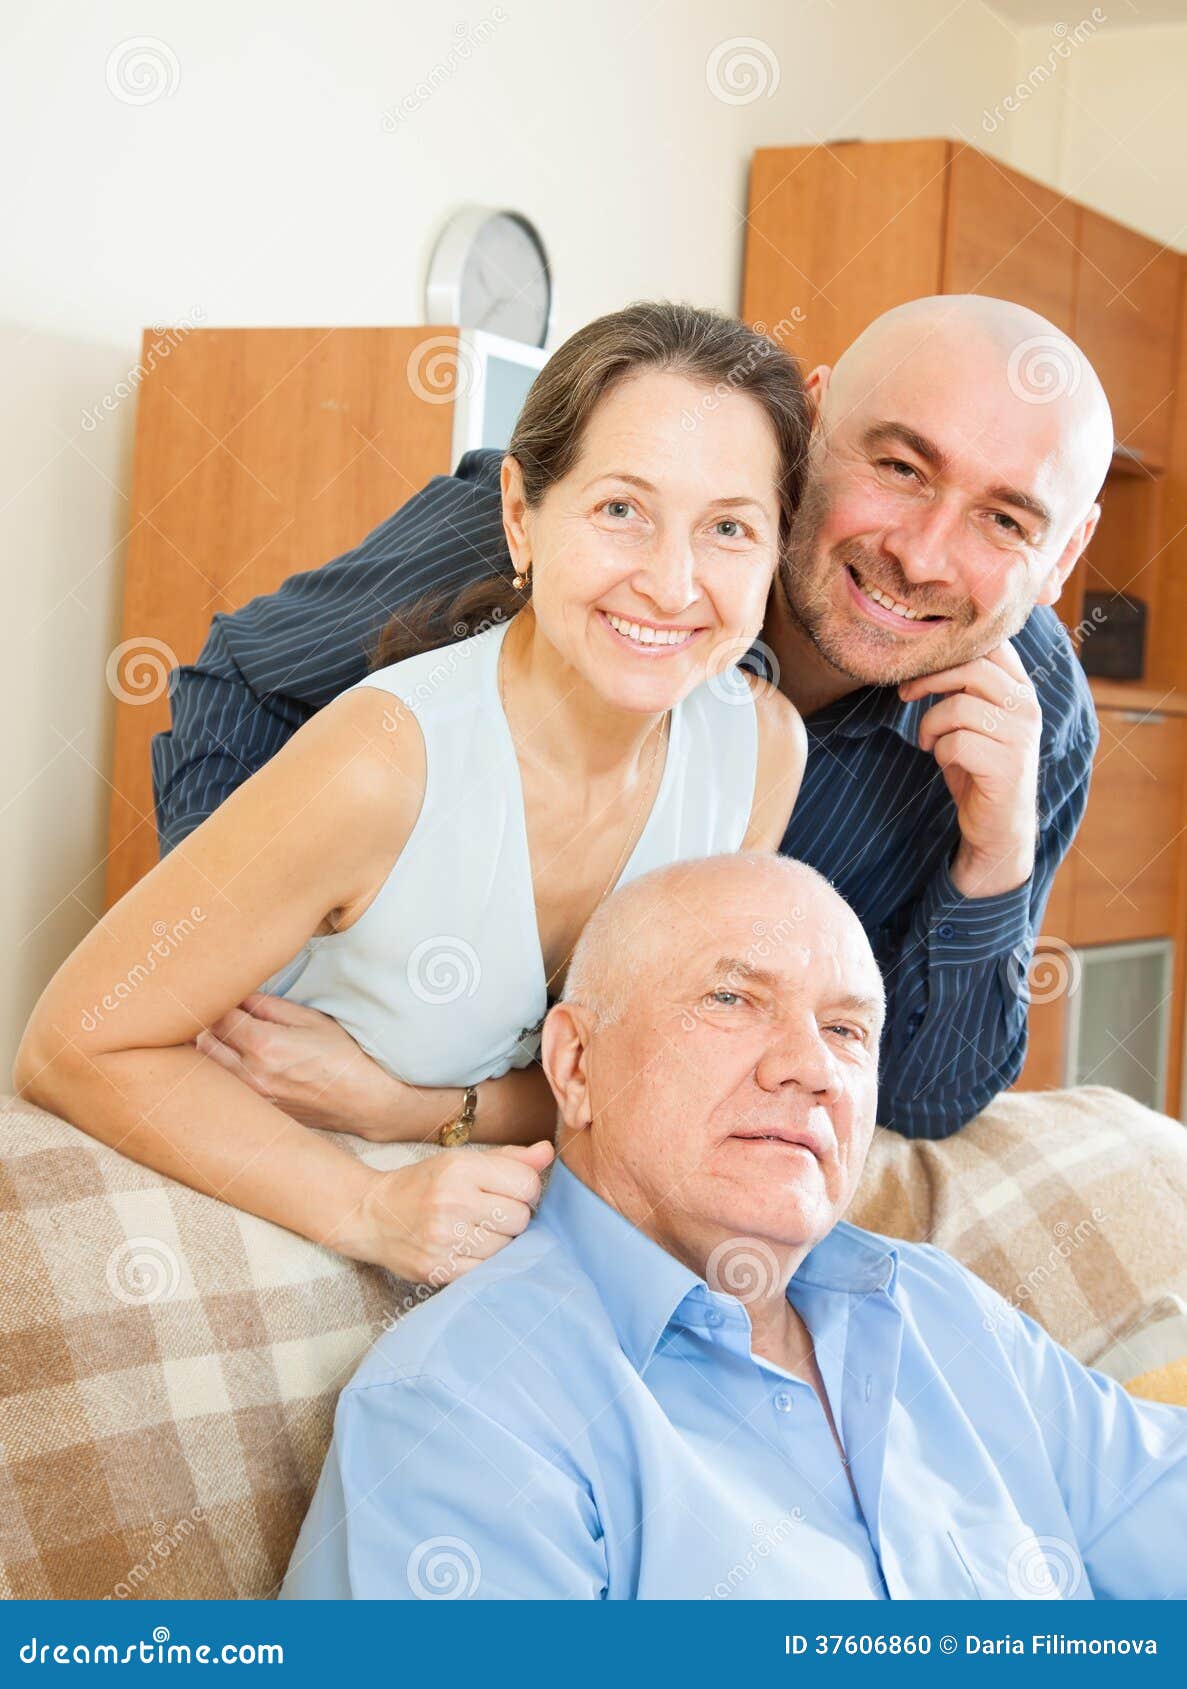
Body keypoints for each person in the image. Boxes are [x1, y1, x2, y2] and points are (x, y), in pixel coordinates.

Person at [151, 293, 1114, 1142]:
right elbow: (250, 680)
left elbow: (916, 1103)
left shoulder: (1033, 727)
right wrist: (232, 968)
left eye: (1005, 519)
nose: (924, 555)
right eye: (900, 467)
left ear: (1066, 551)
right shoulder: (572, 542)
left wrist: (992, 861)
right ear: (813, 418)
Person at [14, 303, 809, 1286]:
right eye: (619, 510)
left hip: (477, 1251)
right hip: (246, 1239)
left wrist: (418, 1111)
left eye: (728, 527)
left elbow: (651, 1072)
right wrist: (367, 1204)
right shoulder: (382, 761)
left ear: (775, 550)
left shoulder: (759, 753)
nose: (670, 581)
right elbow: (72, 1046)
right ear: (521, 515)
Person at [280, 853, 1187, 1602]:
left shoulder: (934, 1305)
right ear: (577, 1063)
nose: (810, 1069)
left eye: (845, 1030)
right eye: (731, 1000)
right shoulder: (463, 1414)